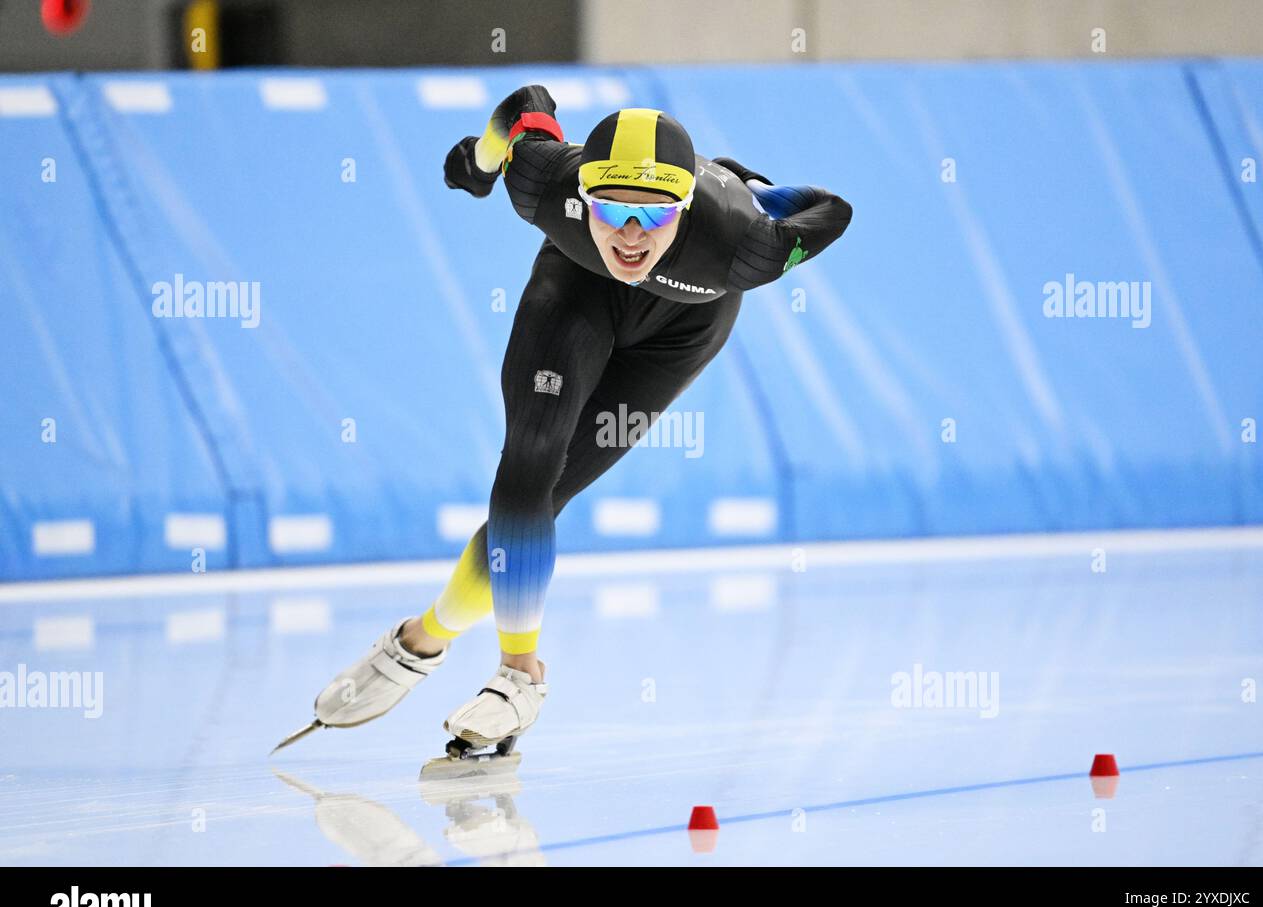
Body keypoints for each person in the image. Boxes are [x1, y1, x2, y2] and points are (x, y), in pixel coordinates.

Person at [293, 84, 852, 759]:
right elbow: (526, 105)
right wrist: (483, 163)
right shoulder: (544, 181)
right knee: (531, 456)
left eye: (655, 213)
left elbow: (832, 210)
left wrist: (756, 191)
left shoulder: (745, 243)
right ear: (582, 192)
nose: (631, 235)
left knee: (546, 496)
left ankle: (423, 639)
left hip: (679, 333)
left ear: (685, 206)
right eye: (611, 207)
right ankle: (518, 673)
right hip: (577, 290)